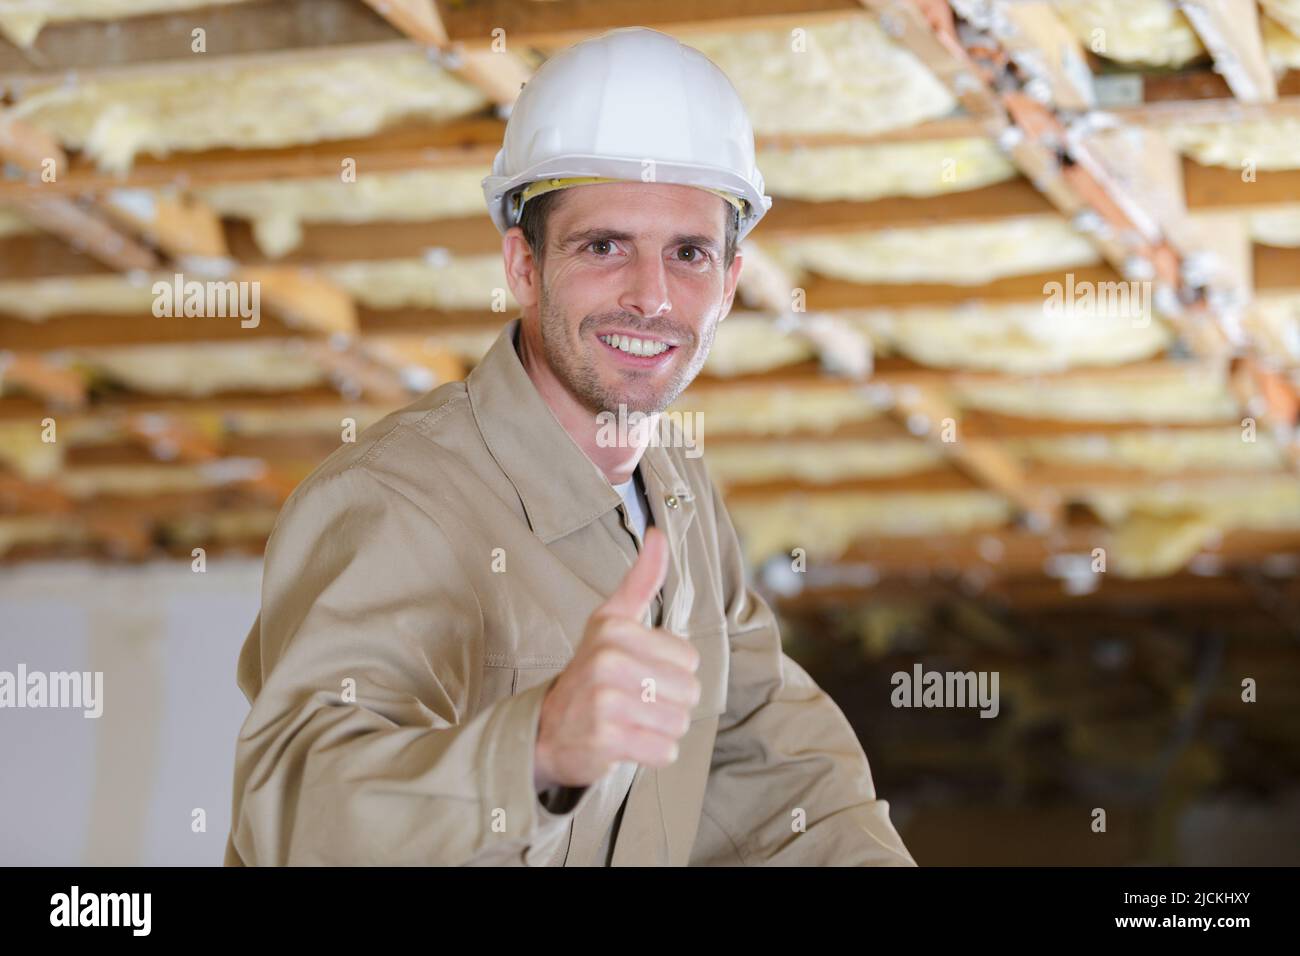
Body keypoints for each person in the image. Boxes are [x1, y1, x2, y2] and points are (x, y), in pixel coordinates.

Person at [224, 26, 915, 867]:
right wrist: (537, 752)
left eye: (689, 253)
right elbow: (300, 812)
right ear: (522, 265)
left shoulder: (680, 497)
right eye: (604, 246)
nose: (652, 298)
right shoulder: (395, 500)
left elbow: (765, 756)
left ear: (730, 285)